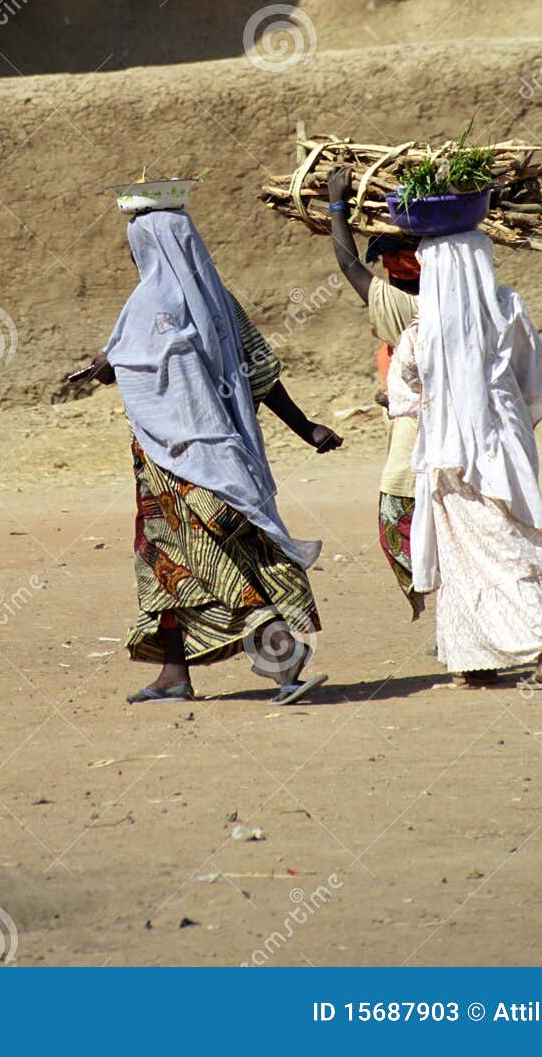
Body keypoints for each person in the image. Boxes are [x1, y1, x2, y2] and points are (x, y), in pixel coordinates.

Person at [67, 201, 343, 706]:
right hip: (218, 457)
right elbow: (260, 374)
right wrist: (305, 427)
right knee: (168, 566)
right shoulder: (219, 301)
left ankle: (284, 660)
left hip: (173, 470)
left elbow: (119, 364)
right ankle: (175, 674)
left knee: (214, 562)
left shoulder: (147, 304)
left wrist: (103, 366)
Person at [389, 230, 542, 687]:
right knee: (509, 537)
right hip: (504, 440)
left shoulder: (421, 328)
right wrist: (509, 420)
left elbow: (407, 391)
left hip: (447, 453)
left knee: (475, 548)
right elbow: (535, 380)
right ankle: (475, 658)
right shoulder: (507, 305)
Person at [326, 167, 424, 616]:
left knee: (401, 521)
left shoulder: (406, 307)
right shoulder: (482, 302)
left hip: (419, 443)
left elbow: (348, 264)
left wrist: (336, 205)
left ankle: (436, 602)